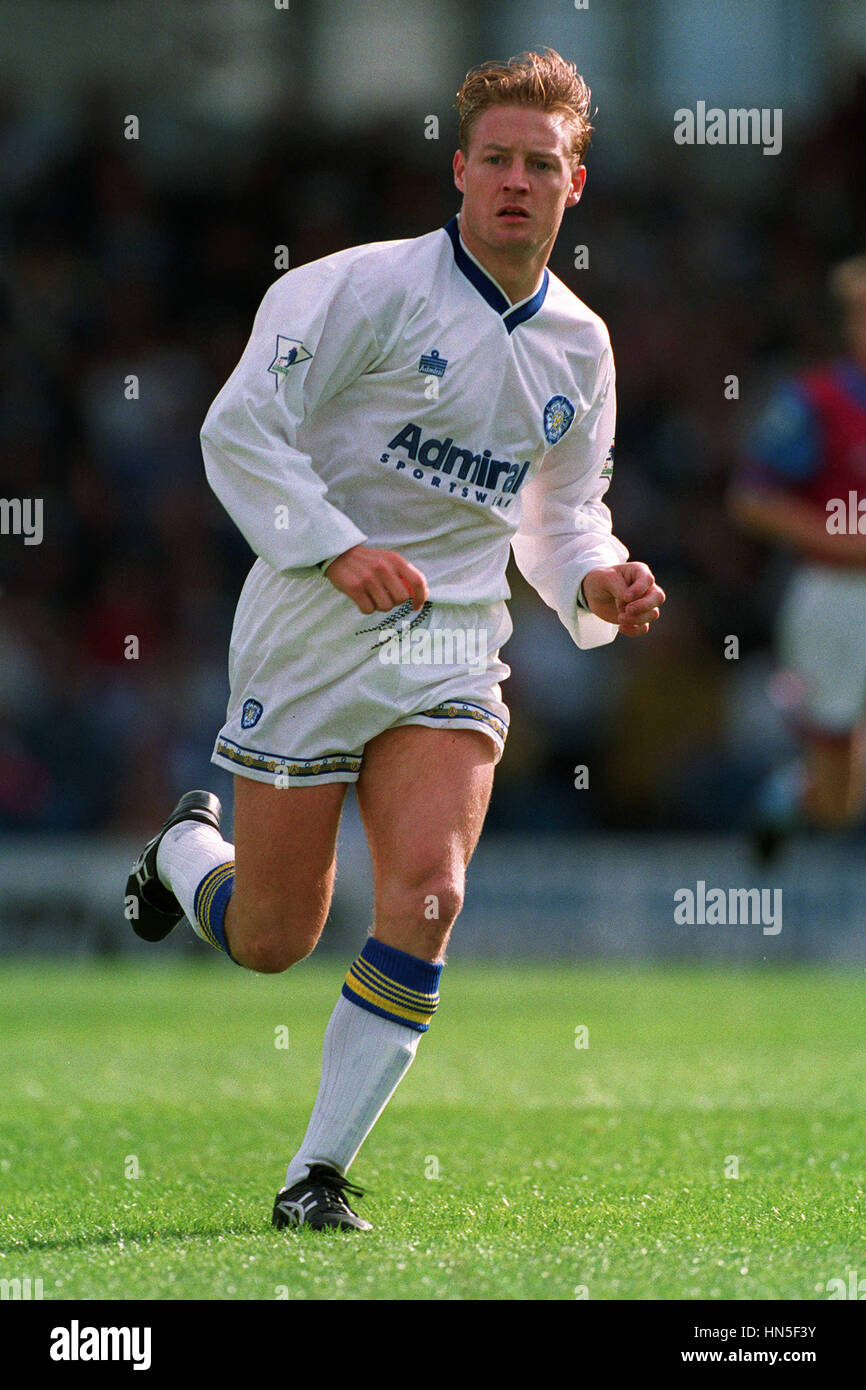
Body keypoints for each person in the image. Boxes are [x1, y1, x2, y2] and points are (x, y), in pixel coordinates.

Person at [125, 49, 665, 1232]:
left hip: (453, 642)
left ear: (576, 182)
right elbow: (237, 428)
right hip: (312, 628)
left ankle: (311, 1177)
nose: (515, 182)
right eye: (496, 161)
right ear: (458, 170)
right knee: (272, 939)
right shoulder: (355, 290)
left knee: (428, 892)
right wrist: (332, 546)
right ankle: (182, 855)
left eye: (542, 163)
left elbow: (559, 516)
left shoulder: (581, 344)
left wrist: (599, 579)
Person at [730, 255, 866, 861]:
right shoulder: (818, 400)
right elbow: (752, 500)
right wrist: (842, 542)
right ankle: (792, 795)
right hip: (836, 597)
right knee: (839, 804)